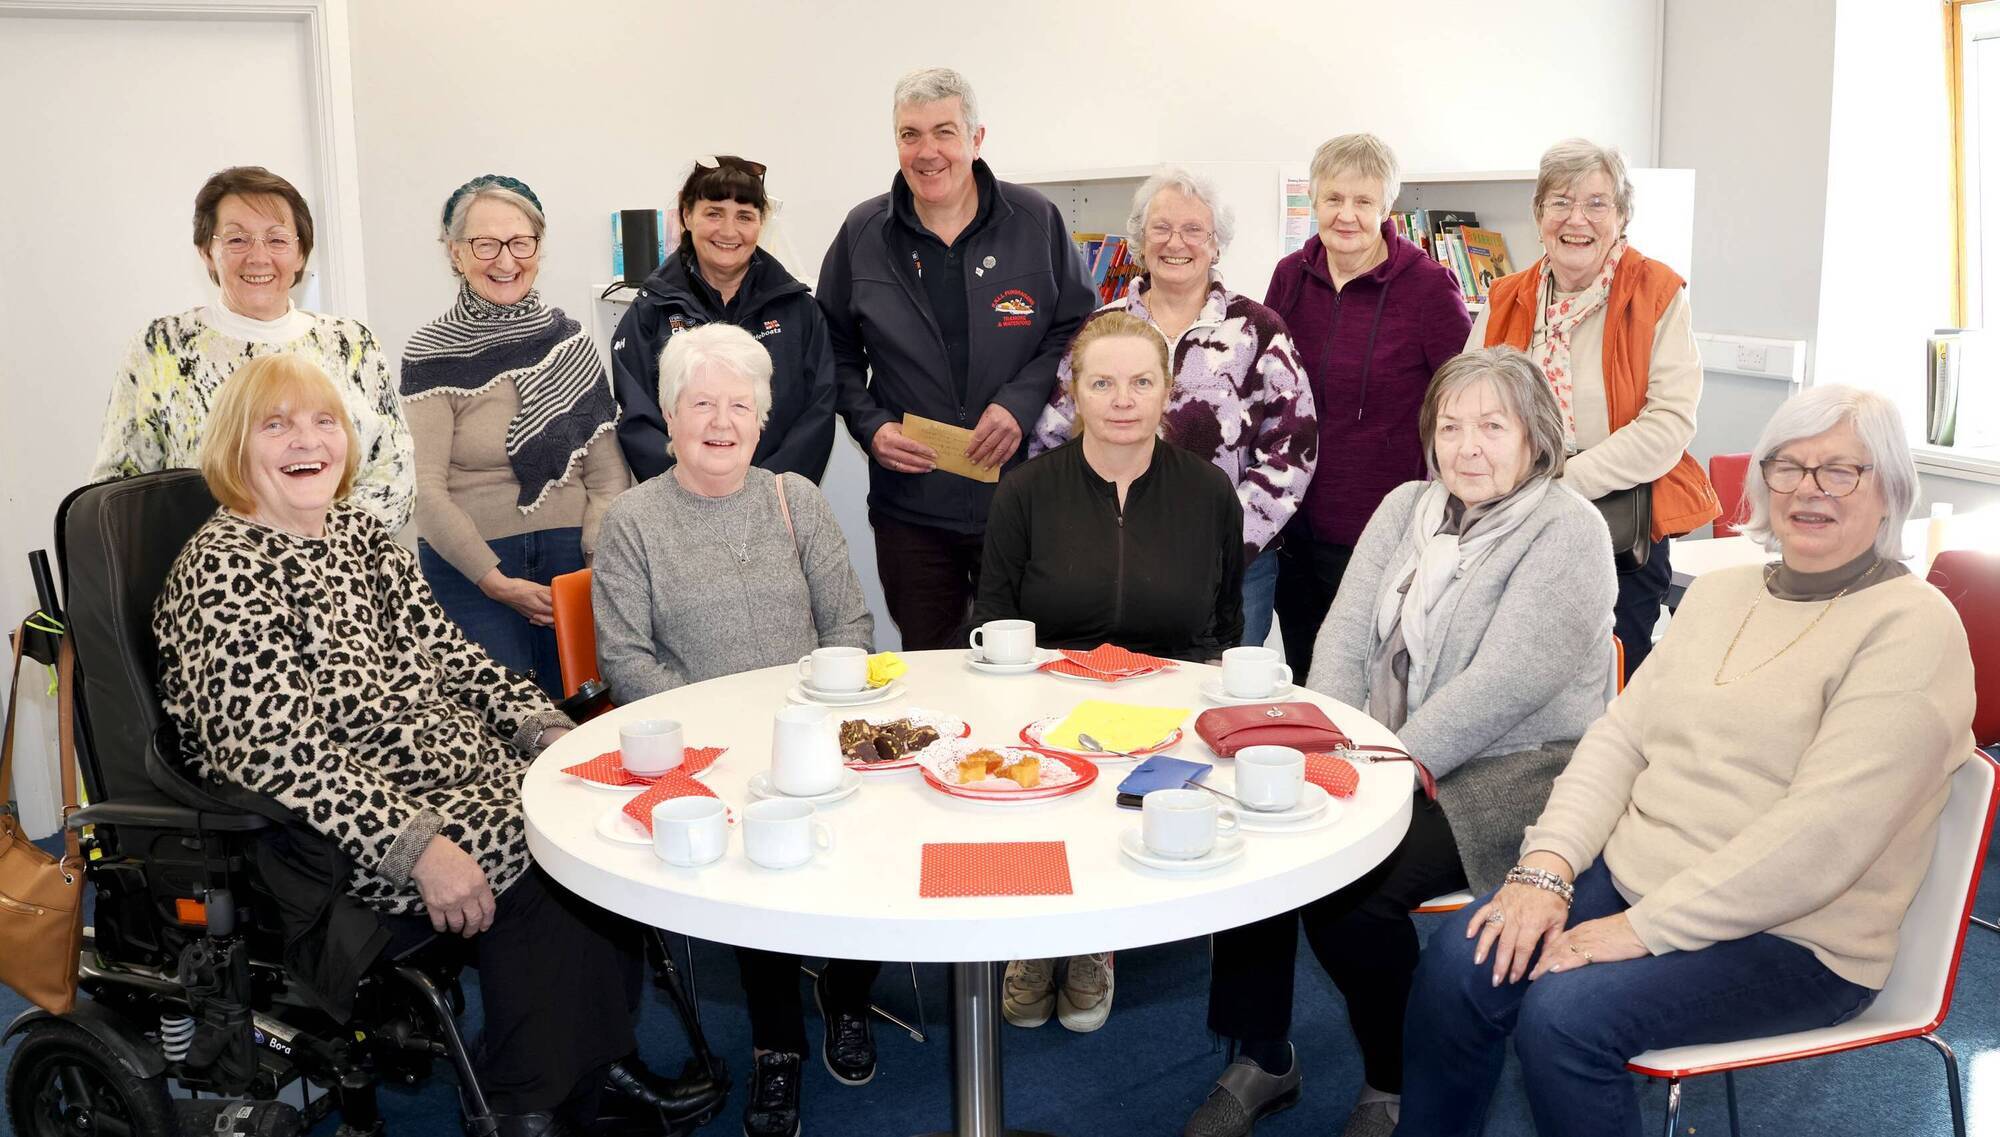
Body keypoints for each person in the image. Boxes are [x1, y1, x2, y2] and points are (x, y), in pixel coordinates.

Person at [152, 354, 710, 1137]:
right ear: (236, 447)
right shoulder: (225, 570)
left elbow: (452, 656)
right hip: (337, 832)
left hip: (452, 774)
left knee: (590, 812)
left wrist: (546, 730)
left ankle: (595, 1062)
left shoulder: (358, 533)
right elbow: (277, 755)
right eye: (276, 425)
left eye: (321, 422)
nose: (305, 441)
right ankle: (526, 1104)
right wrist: (416, 846)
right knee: (538, 850)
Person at [1398, 386, 1974, 1137]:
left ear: (1890, 487)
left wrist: (1638, 930)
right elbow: (1620, 740)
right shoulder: (1721, 593)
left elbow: (1818, 841)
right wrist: (1546, 868)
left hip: (1797, 935)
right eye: (1789, 467)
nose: (1808, 489)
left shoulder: (1913, 629)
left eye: (1841, 471)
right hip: (1641, 880)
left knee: (1564, 1020)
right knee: (1457, 964)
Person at [1182, 347, 1616, 1137]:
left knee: (1349, 893)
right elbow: (1344, 636)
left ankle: (1396, 1075)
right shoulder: (1406, 505)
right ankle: (1264, 1054)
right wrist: (1324, 746)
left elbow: (1506, 683)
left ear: (1536, 438)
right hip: (1386, 747)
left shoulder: (1568, 528)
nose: (1467, 445)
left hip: (1515, 771)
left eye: (1492, 426)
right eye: (1450, 426)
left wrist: (1381, 768)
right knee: (1258, 822)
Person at [590, 324, 879, 1137]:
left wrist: (808, 721)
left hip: (812, 733)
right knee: (762, 847)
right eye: (701, 402)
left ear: (762, 419)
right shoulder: (632, 522)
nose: (721, 421)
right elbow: (627, 664)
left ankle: (848, 993)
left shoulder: (798, 499)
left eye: (739, 405)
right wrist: (729, 736)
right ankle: (776, 1046)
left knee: (878, 820)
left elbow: (850, 626)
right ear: (670, 417)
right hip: (703, 751)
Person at [982, 312, 1244, 1035]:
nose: (1122, 400)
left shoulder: (1209, 492)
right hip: (1048, 705)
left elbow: (1224, 625)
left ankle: (1095, 942)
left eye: (1140, 382)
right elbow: (996, 621)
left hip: (1167, 706)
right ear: (1074, 392)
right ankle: (1033, 936)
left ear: (1168, 392)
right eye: (1102, 382)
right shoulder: (1026, 491)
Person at [818, 66, 1095, 649]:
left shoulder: (1036, 221)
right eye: (909, 134)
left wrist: (1020, 405)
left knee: (1027, 666)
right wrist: (870, 427)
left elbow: (1075, 331)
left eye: (944, 131)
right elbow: (833, 350)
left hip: (1023, 500)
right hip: (911, 509)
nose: (927, 152)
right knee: (930, 672)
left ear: (977, 138)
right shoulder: (862, 232)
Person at [1028, 167, 1315, 648]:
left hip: (1232, 569)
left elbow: (1293, 450)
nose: (1175, 242)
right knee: (1118, 700)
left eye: (1193, 230)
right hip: (1108, 561)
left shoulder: (1260, 331)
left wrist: (1220, 541)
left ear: (1217, 244)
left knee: (1217, 707)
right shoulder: (1101, 329)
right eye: (1160, 228)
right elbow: (1051, 440)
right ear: (1140, 240)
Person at [1472, 138, 1719, 681]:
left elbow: (1669, 422)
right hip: (1512, 523)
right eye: (1559, 201)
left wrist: (1562, 482)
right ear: (1538, 216)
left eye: (1596, 203)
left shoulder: (1656, 291)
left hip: (1616, 526)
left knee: (1608, 688)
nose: (1575, 218)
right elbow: (1468, 406)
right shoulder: (1506, 297)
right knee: (1513, 680)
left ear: (1622, 215)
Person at [401, 175, 630, 700]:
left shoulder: (570, 342)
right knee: (499, 730)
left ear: (537, 248)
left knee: (585, 718)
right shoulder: (430, 350)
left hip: (572, 563)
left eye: (520, 242)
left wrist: (593, 568)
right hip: (471, 570)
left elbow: (607, 474)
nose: (506, 260)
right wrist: (493, 580)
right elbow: (425, 490)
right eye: (485, 244)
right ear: (456, 254)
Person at [92, 165, 414, 531]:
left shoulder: (352, 343)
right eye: (237, 240)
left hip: (343, 571)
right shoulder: (162, 348)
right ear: (206, 253)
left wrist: (321, 547)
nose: (258, 257)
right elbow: (117, 489)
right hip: (215, 576)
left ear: (301, 255)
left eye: (277, 240)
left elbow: (395, 473)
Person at [1265, 134, 1472, 677]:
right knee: (1305, 668)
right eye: (1333, 199)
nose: (1347, 215)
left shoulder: (1429, 287)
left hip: (1379, 526)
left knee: (1366, 675)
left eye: (1363, 201)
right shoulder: (1289, 276)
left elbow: (1465, 394)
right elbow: (1265, 380)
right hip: (1291, 518)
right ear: (1313, 201)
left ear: (1386, 208)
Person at [611, 156, 837, 484]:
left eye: (745, 216)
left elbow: (817, 414)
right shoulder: (650, 312)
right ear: (687, 215)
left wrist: (766, 494)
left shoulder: (799, 311)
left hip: (774, 504)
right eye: (714, 213)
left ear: (762, 222)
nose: (729, 231)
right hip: (680, 511)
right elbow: (637, 420)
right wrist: (689, 494)